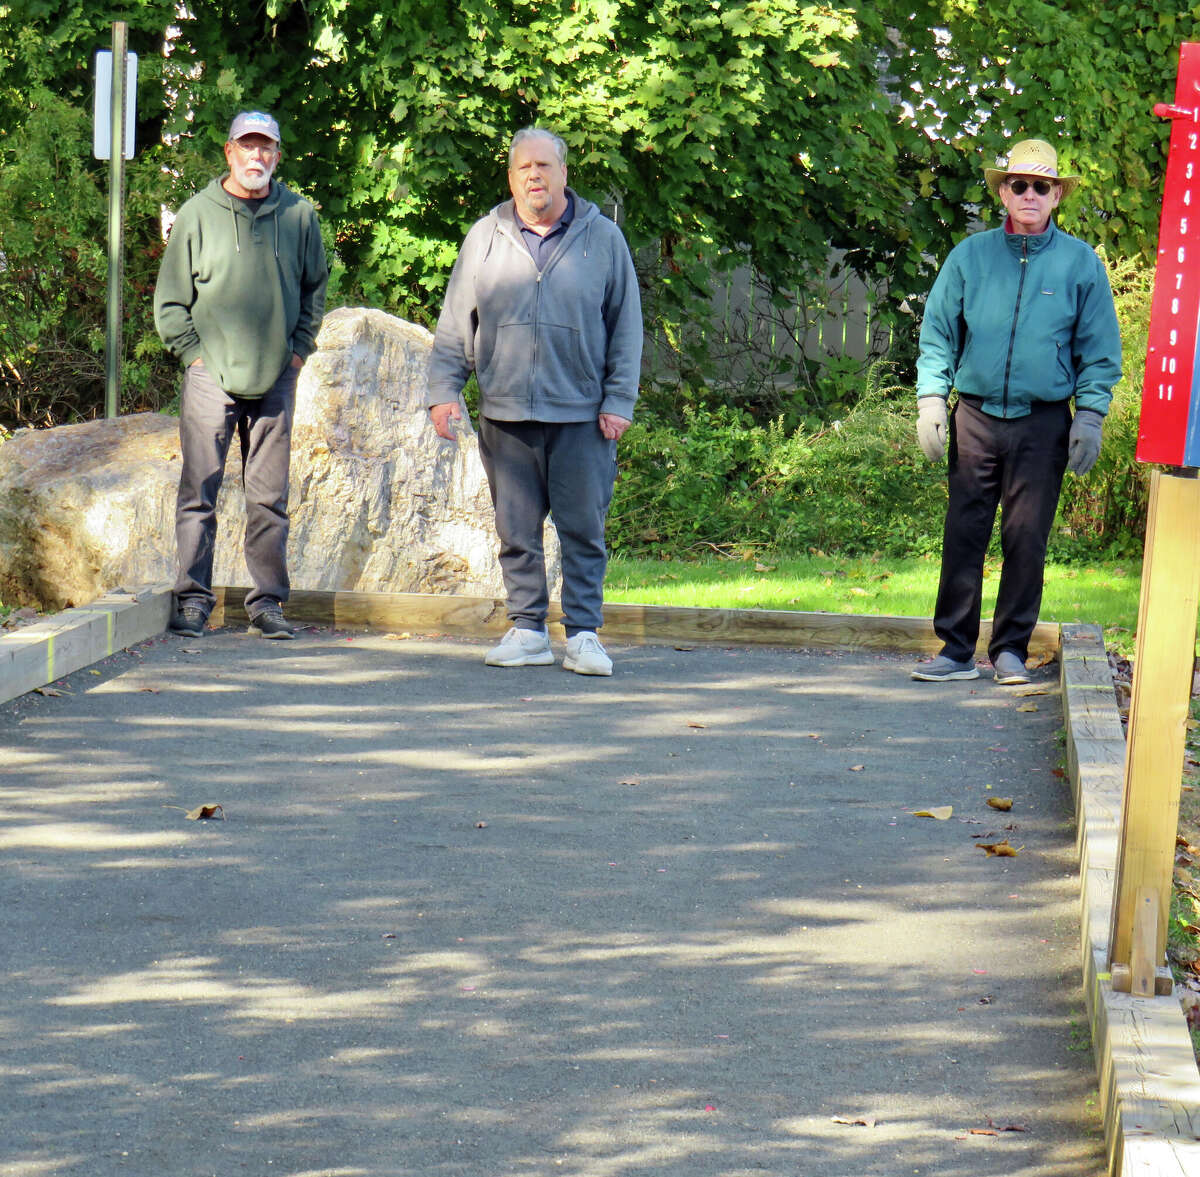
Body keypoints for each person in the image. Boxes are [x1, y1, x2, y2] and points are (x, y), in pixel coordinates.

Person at [425, 126, 642, 676]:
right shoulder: (485, 237)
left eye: (544, 166)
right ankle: (527, 630)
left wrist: (618, 399)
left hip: (583, 416)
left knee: (583, 530)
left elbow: (626, 328)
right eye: (524, 168)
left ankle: (585, 635)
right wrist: (443, 392)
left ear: (564, 173)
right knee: (515, 532)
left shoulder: (604, 240)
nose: (535, 176)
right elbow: (456, 323)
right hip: (507, 413)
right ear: (511, 178)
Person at [912, 137, 1122, 684]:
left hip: (1044, 419)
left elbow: (1100, 350)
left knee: (1026, 535)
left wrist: (1091, 416)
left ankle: (1009, 649)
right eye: (1019, 185)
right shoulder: (970, 257)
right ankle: (954, 651)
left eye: (1042, 186)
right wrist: (932, 400)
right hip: (976, 415)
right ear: (1004, 192)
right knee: (964, 531)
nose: (1030, 194)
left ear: (1057, 196)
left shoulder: (1080, 264)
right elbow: (938, 333)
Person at [154, 111, 328, 639]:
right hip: (211, 376)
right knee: (198, 491)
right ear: (229, 152)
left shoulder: (299, 216)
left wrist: (298, 351)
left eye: (266, 148)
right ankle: (192, 600)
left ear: (277, 155)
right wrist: (194, 356)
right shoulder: (196, 214)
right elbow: (171, 300)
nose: (257, 157)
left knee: (268, 497)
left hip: (276, 374)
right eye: (247, 147)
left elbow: (314, 288)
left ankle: (267, 602)